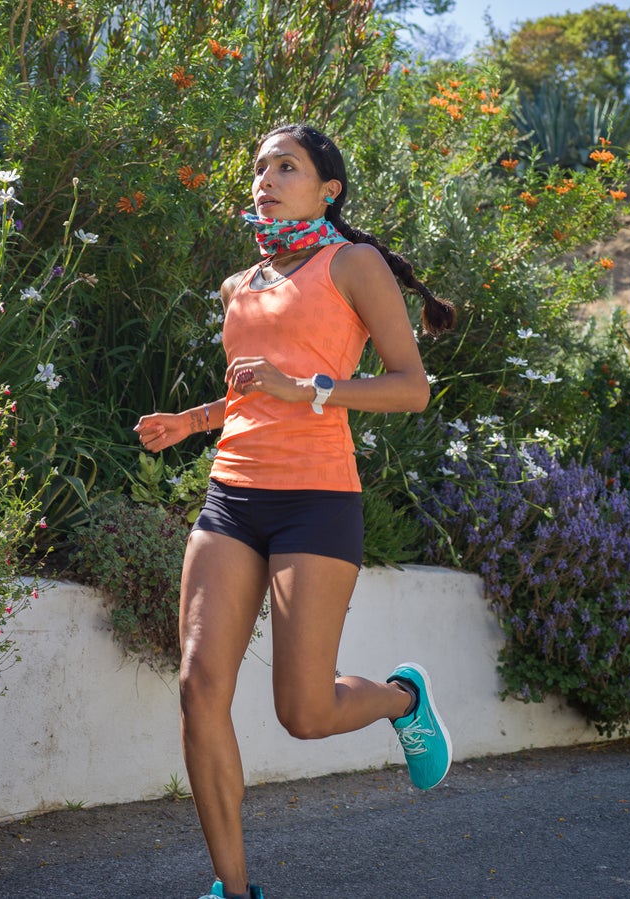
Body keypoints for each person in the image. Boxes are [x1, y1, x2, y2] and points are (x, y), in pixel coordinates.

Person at [134, 124, 456, 899]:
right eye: (259, 167)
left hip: (317, 499)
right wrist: (195, 419)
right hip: (231, 497)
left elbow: (410, 387)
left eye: (288, 166)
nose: (266, 178)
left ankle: (403, 697)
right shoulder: (239, 284)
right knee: (197, 685)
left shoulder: (353, 265)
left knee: (303, 713)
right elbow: (254, 389)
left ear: (328, 189)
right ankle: (233, 889)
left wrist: (309, 389)